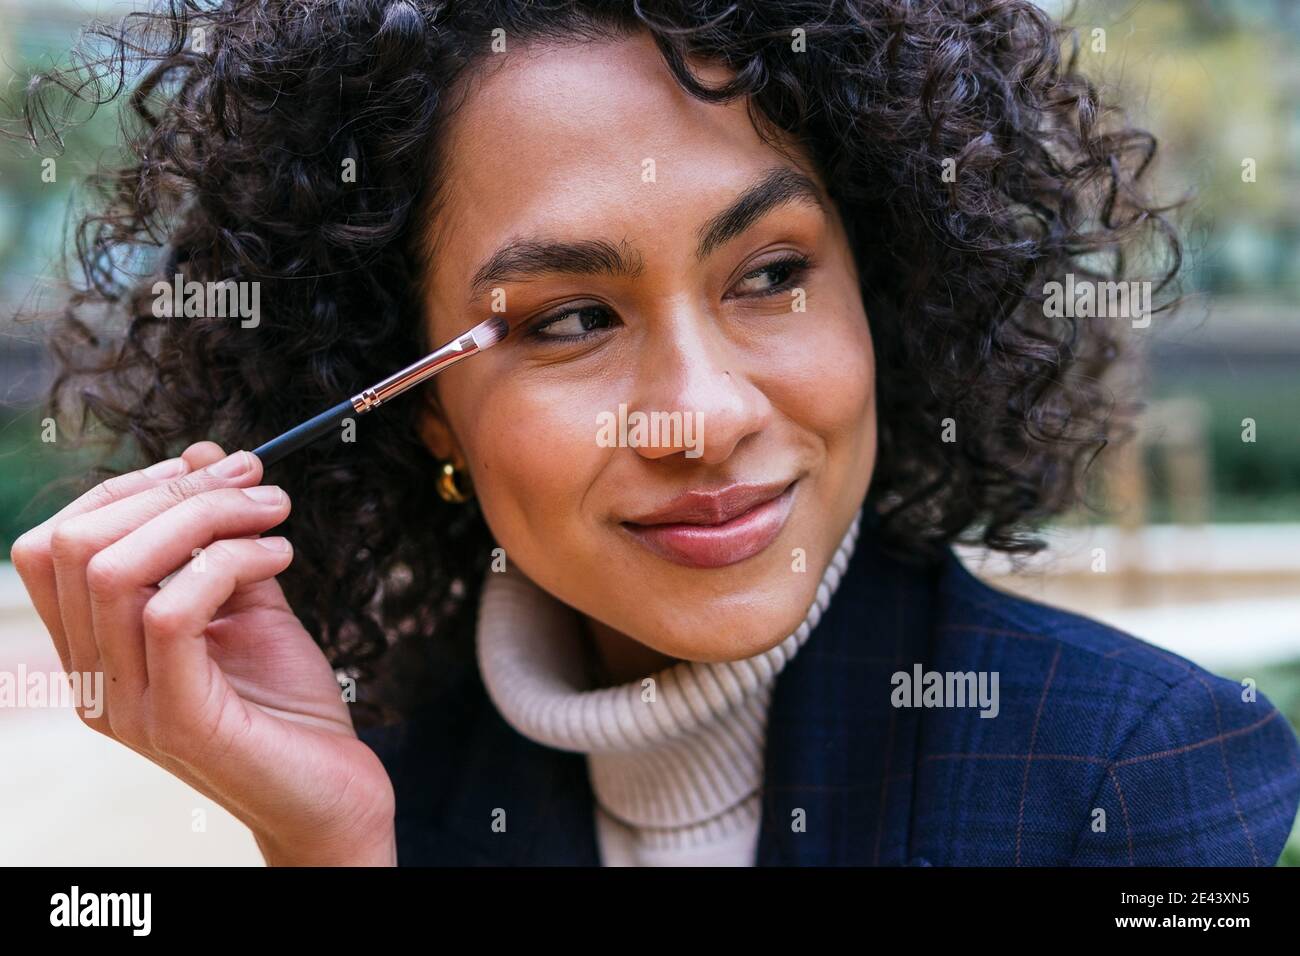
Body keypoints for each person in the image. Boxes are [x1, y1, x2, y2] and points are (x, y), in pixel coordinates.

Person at [10, 0, 1300, 866]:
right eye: (571, 317)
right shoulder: (399, 784)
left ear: (888, 289)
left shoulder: (1138, 777)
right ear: (414, 407)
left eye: (769, 272)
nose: (708, 412)